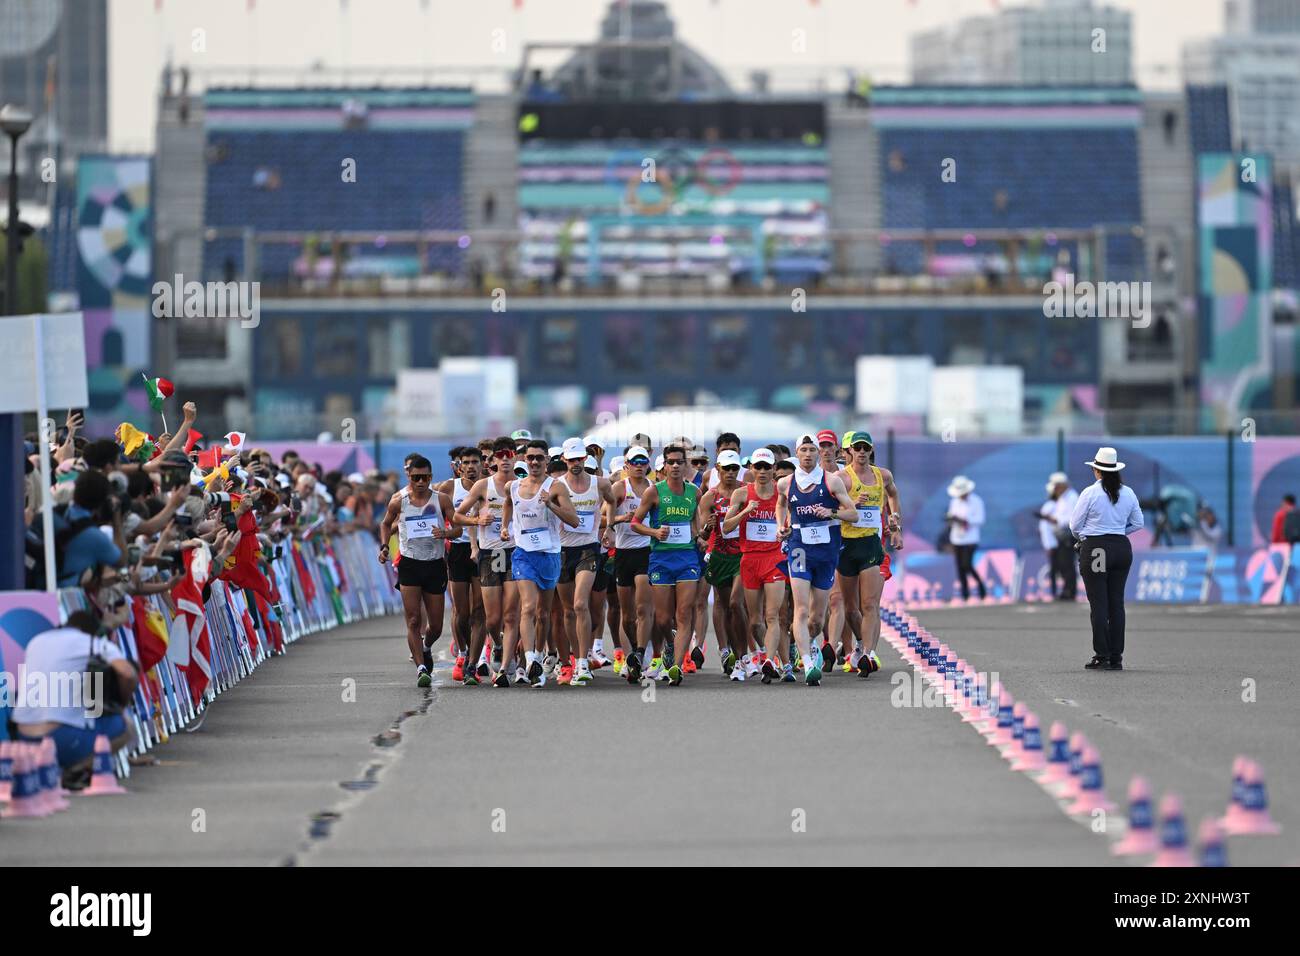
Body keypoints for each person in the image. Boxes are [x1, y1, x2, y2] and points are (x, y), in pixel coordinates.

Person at [12, 606, 139, 785]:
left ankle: (44, 768)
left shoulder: (36, 641)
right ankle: (71, 771)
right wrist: (121, 703)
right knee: (126, 728)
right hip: (60, 737)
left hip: (23, 736)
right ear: (90, 631)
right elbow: (127, 673)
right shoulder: (94, 643)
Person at [776, 434, 858, 686]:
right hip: (799, 549)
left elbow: (853, 514)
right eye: (804, 450)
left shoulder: (832, 481)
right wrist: (782, 525)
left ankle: (809, 644)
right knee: (799, 609)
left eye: (813, 449)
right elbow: (781, 504)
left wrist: (831, 511)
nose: (809, 454)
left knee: (817, 619)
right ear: (797, 453)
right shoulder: (785, 483)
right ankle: (809, 663)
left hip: (826, 552)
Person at [500, 439, 580, 687]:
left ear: (547, 461)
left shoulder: (556, 487)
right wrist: (505, 526)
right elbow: (507, 505)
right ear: (525, 459)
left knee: (543, 614)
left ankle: (538, 656)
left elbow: (574, 521)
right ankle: (530, 659)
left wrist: (551, 505)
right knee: (527, 608)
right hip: (524, 554)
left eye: (539, 458)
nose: (534, 462)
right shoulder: (513, 487)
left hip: (550, 554)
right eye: (530, 457)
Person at [378, 454, 456, 687]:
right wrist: (383, 547)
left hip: (434, 564)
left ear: (431, 477)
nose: (420, 482)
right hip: (410, 564)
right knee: (413, 620)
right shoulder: (398, 500)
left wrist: (446, 533)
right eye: (416, 478)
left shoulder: (441, 500)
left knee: (436, 626)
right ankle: (421, 668)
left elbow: (458, 529)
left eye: (425, 477)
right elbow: (385, 524)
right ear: (408, 476)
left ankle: (426, 646)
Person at [629, 443, 703, 685]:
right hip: (661, 559)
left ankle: (677, 667)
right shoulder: (654, 492)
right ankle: (670, 646)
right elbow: (635, 523)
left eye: (679, 462)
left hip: (687, 559)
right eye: (670, 462)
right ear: (664, 464)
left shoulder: (695, 492)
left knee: (683, 613)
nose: (674, 466)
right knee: (662, 619)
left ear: (685, 465)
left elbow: (696, 526)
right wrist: (653, 532)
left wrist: (701, 535)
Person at [455, 437, 522, 686]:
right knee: (492, 619)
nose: (505, 459)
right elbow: (457, 515)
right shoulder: (483, 486)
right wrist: (476, 522)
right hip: (491, 554)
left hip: (517, 552)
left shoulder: (523, 484)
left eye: (509, 454)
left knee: (511, 615)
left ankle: (504, 667)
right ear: (492, 459)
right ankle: (496, 644)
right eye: (500, 455)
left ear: (515, 457)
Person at [1069, 447, 1144, 671]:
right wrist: (1118, 532)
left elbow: (1074, 525)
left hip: (1096, 548)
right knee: (1116, 604)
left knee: (1099, 604)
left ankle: (1101, 654)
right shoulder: (1128, 492)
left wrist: (1085, 537)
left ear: (1097, 470)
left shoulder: (1090, 493)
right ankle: (1116, 656)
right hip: (1121, 548)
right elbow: (1138, 523)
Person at [722, 448, 788, 684]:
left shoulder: (783, 495)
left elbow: (790, 523)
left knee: (773, 615)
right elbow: (726, 528)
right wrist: (745, 512)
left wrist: (786, 531)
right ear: (751, 469)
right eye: (757, 467)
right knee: (755, 620)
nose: (762, 471)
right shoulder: (741, 494)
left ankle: (770, 661)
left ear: (773, 470)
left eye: (766, 467)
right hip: (749, 560)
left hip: (774, 559)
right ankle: (770, 656)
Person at [837, 431, 901, 675]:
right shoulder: (841, 478)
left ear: (871, 450)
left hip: (871, 545)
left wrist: (896, 525)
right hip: (846, 545)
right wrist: (854, 503)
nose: (862, 452)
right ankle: (861, 644)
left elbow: (894, 495)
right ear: (850, 451)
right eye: (857, 448)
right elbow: (832, 508)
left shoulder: (883, 475)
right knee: (850, 608)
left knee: (870, 604)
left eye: (866, 448)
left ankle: (869, 654)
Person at [555, 437, 616, 685]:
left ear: (585, 458)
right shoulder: (556, 485)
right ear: (564, 460)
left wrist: (610, 528)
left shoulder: (599, 483)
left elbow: (612, 501)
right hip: (561, 550)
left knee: (581, 604)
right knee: (568, 611)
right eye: (571, 460)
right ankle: (571, 657)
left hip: (588, 549)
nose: (576, 463)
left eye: (579, 458)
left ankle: (583, 662)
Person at [606, 445, 655, 682]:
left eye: (642, 461)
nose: (638, 465)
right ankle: (633, 653)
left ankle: (641, 652)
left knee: (643, 608)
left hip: (646, 551)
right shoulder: (619, 488)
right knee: (626, 614)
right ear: (626, 465)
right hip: (623, 552)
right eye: (633, 461)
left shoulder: (653, 490)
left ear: (648, 465)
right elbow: (603, 517)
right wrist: (618, 520)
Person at [698, 449, 746, 676]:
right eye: (726, 468)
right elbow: (702, 535)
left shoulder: (745, 492)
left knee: (737, 603)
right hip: (719, 554)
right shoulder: (710, 496)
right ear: (717, 469)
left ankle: (744, 653)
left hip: (743, 554)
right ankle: (726, 650)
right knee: (723, 604)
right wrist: (708, 526)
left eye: (734, 468)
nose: (730, 472)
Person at [440, 446, 486, 682]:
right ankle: (463, 652)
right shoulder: (448, 488)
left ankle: (472, 664)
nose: (470, 466)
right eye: (465, 462)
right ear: (459, 466)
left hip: (485, 550)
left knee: (480, 612)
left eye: (474, 462)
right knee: (461, 613)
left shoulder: (489, 485)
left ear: (482, 464)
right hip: (458, 551)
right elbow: (421, 502)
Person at [945, 475, 986, 601]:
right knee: (959, 567)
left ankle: (980, 586)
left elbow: (980, 519)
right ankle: (965, 593)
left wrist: (965, 520)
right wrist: (952, 519)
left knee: (967, 564)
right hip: (957, 538)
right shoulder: (954, 502)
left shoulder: (977, 501)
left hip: (971, 539)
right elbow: (951, 517)